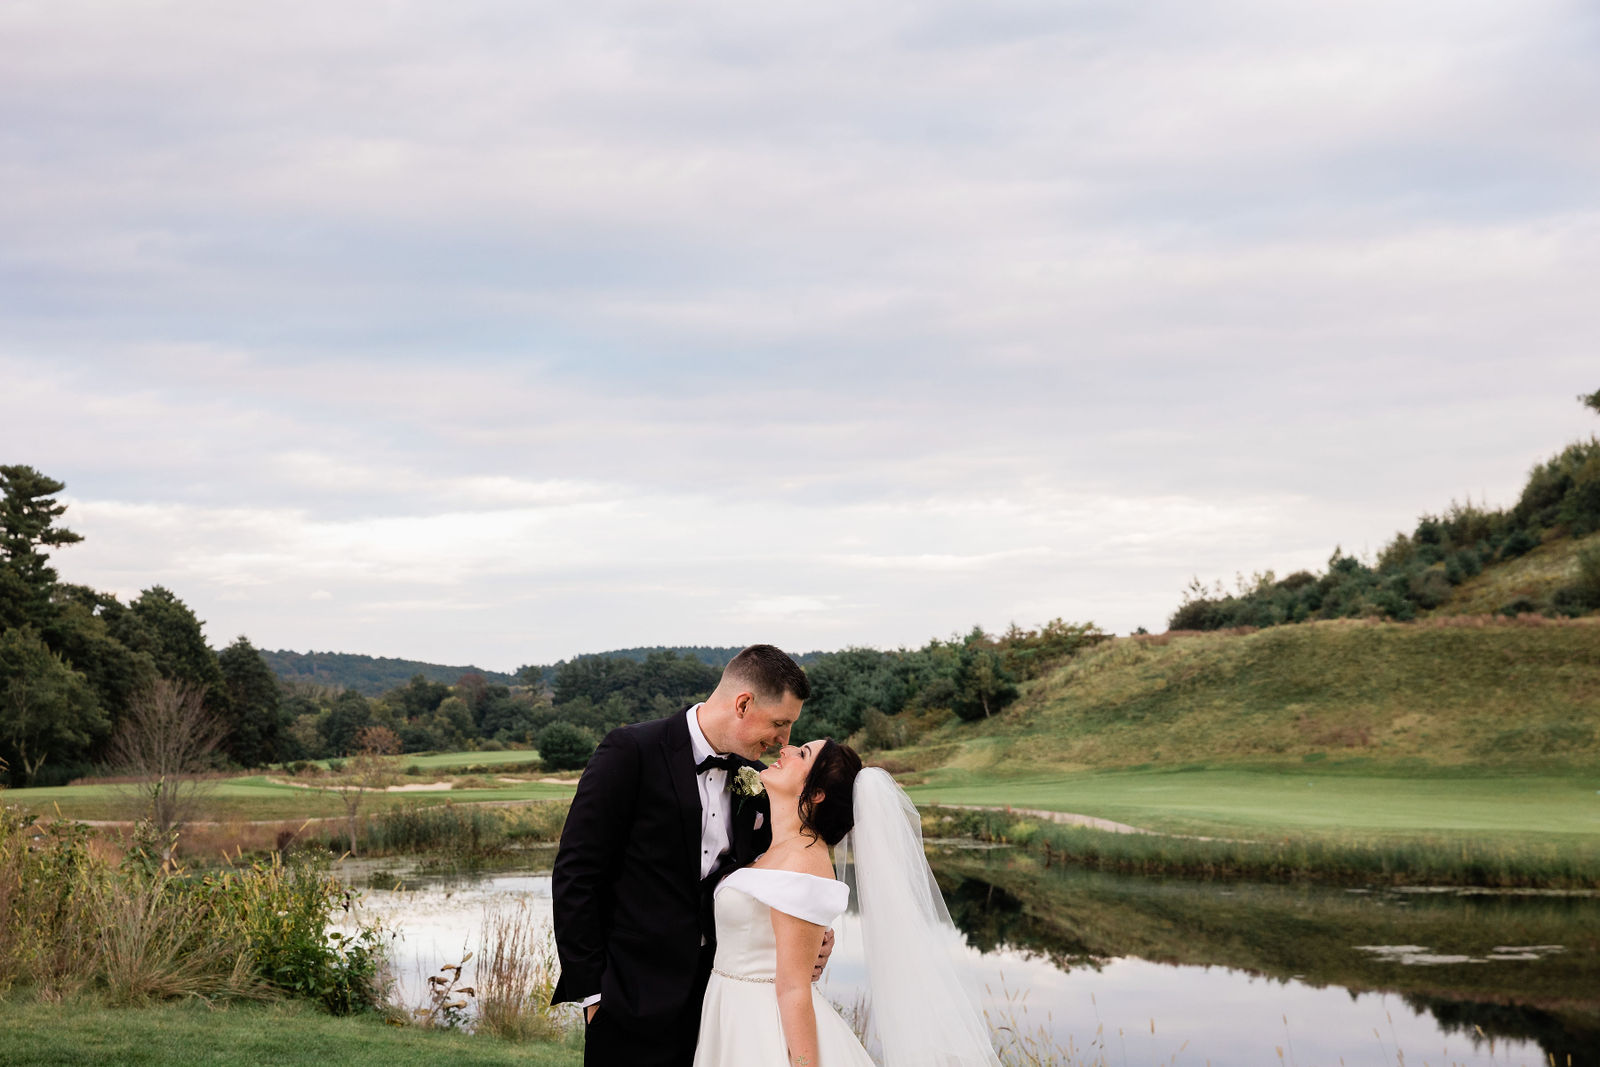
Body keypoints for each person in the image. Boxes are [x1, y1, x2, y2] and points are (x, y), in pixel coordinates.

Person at [551, 644, 824, 1067]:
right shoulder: (632, 750)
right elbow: (576, 874)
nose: (783, 740)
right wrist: (593, 994)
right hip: (629, 998)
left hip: (719, 1004)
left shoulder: (756, 780)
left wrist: (814, 930)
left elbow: (775, 874)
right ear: (743, 704)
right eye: (780, 723)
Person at [696, 740, 1002, 1067]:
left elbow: (793, 989)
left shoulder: (803, 864)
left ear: (816, 794)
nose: (786, 749)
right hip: (733, 1011)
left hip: (762, 1026)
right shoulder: (777, 849)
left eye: (802, 753)